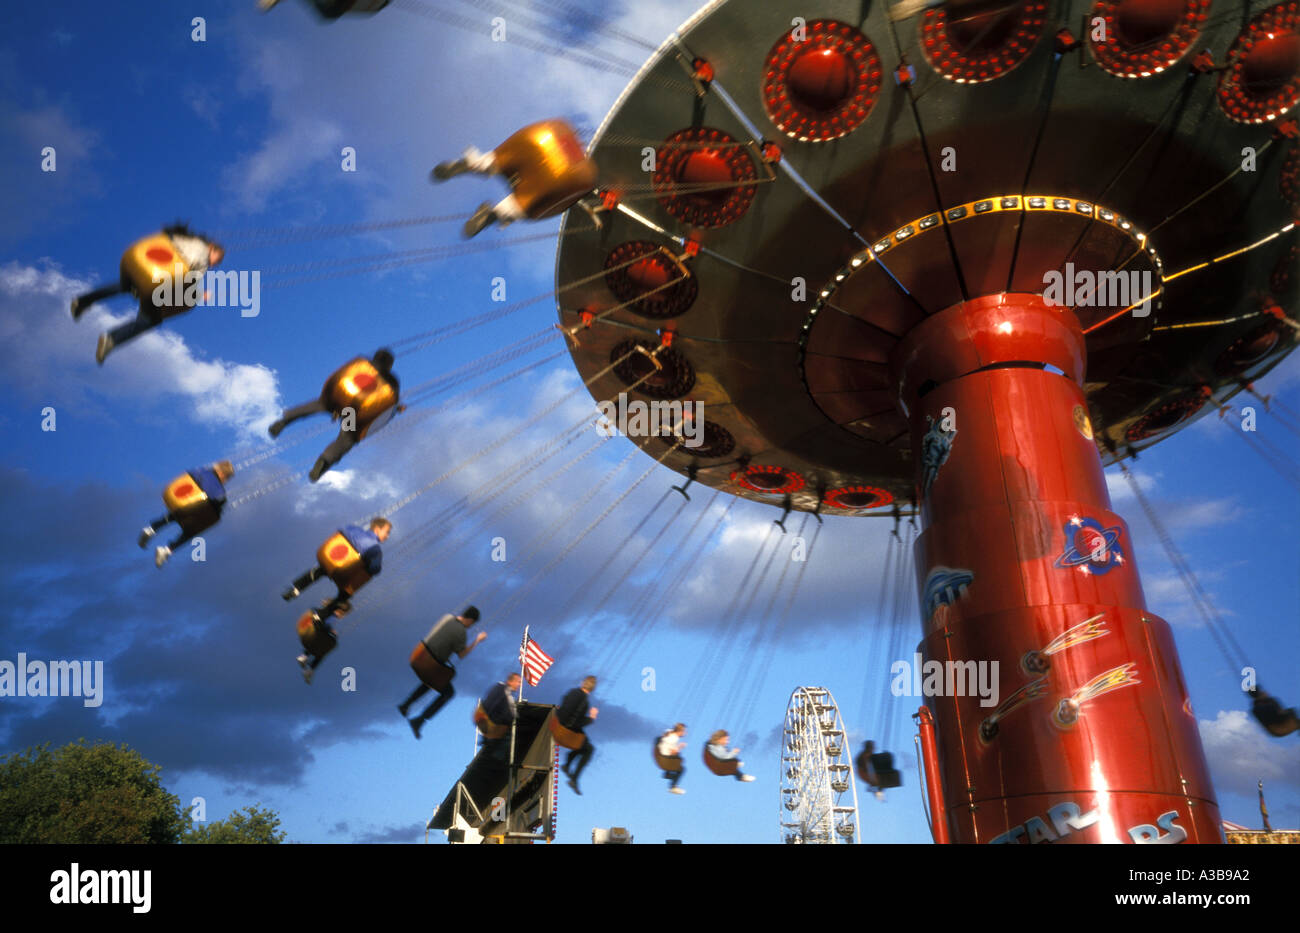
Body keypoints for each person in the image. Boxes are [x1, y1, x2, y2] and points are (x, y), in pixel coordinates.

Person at [72, 224, 225, 365]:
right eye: (215, 261)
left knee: (126, 286)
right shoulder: (202, 260)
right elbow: (186, 285)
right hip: (159, 279)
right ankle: (111, 339)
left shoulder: (187, 238)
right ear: (211, 248)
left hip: (137, 259)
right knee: (151, 320)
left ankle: (82, 301)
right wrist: (199, 296)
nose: (212, 265)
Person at [431, 119, 597, 238]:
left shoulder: (561, 126)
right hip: (565, 177)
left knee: (498, 160)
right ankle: (495, 214)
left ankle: (473, 164)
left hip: (544, 136)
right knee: (521, 205)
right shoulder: (588, 174)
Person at [268, 349, 403, 482]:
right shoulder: (391, 381)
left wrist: (330, 396)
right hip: (353, 411)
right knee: (347, 438)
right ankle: (325, 460)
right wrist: (396, 409)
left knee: (320, 404)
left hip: (338, 395)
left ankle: (285, 420)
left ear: (376, 357)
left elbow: (338, 376)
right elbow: (386, 404)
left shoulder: (361, 362)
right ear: (389, 365)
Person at [398, 606, 486, 738]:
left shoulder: (447, 616)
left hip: (418, 654)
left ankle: (406, 705)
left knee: (436, 679)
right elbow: (462, 655)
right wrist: (477, 641)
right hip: (429, 665)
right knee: (448, 693)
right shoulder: (461, 632)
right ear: (470, 620)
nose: (470, 626)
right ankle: (419, 720)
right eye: (472, 623)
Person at [282, 517, 391, 617]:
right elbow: (375, 568)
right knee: (345, 595)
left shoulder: (353, 528)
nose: (387, 536)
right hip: (345, 571)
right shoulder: (375, 549)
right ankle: (320, 615)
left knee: (319, 570)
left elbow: (341, 528)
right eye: (387, 532)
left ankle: (296, 588)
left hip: (329, 558)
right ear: (377, 529)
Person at [139, 460, 234, 568]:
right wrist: (219, 509)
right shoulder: (219, 490)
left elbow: (188, 474)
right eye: (227, 478)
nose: (225, 481)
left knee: (176, 514)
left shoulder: (201, 470)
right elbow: (219, 504)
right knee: (192, 529)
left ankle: (151, 529)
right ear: (222, 474)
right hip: (195, 510)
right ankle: (167, 550)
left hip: (180, 500)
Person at [557, 675, 598, 795]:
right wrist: (591, 718)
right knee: (589, 749)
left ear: (582, 683)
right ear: (593, 688)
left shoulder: (572, 692)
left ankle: (567, 764)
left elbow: (563, 707)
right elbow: (576, 721)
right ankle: (574, 778)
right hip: (568, 730)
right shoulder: (584, 702)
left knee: (584, 744)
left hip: (560, 725)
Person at [295, 604, 347, 685]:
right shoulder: (331, 614)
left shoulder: (327, 614)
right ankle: (307, 663)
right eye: (341, 613)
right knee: (326, 645)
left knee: (320, 648)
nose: (341, 616)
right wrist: (332, 632)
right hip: (318, 629)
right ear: (338, 611)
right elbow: (326, 624)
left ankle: (306, 661)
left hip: (316, 631)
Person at [657, 723, 688, 794]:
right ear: (680, 731)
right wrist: (680, 746)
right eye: (684, 731)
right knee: (682, 769)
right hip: (666, 758)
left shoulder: (669, 732)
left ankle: (668, 774)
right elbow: (673, 752)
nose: (685, 733)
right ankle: (673, 787)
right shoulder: (674, 739)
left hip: (661, 754)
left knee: (679, 759)